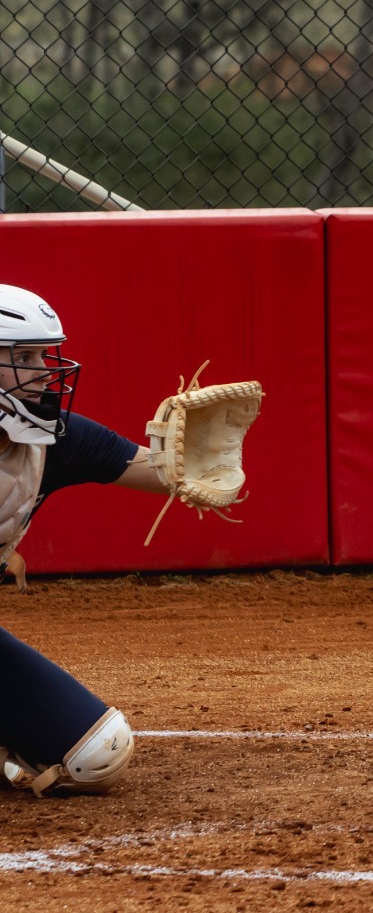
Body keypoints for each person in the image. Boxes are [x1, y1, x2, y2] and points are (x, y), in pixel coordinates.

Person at [0, 283, 158, 797]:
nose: (46, 371)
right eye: (22, 356)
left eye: (44, 354)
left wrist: (201, 459)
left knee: (97, 753)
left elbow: (157, 471)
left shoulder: (51, 438)